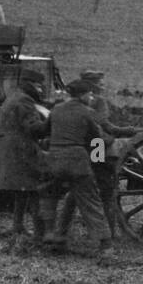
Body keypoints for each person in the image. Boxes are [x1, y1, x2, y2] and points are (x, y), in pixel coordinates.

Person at [56, 70, 137, 243]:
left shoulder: (66, 104)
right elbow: (105, 127)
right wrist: (125, 132)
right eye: (99, 83)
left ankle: (61, 231)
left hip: (82, 149)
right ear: (91, 85)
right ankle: (109, 234)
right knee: (106, 190)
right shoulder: (98, 102)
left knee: (76, 192)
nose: (102, 86)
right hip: (98, 148)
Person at [43, 78, 111, 254]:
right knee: (90, 200)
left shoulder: (56, 110)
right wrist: (98, 162)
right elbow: (97, 139)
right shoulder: (87, 112)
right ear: (82, 95)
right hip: (77, 163)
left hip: (55, 161)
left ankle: (53, 236)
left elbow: (45, 130)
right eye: (89, 94)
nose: (91, 97)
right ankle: (105, 244)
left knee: (50, 194)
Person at [0, 68, 50, 253]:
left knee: (21, 189)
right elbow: (34, 128)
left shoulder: (13, 97)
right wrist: (51, 123)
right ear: (32, 84)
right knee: (34, 188)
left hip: (10, 147)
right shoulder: (25, 100)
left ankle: (18, 226)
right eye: (39, 86)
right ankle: (40, 235)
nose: (41, 89)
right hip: (22, 149)